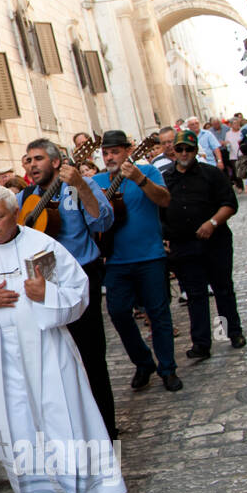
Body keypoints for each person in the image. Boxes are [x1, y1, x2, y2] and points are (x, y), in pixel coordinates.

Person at [0, 188, 127, 493]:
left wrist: (46, 295)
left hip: (48, 355)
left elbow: (79, 292)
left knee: (60, 424)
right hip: (5, 362)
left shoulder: (42, 247)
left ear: (14, 213)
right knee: (20, 427)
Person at [18, 138, 118, 439]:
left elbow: (103, 221)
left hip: (79, 278)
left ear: (57, 162)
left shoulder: (80, 185)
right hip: (45, 281)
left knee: (91, 355)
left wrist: (83, 186)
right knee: (57, 357)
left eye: (38, 159)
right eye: (28, 159)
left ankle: (106, 429)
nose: (32, 164)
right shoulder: (26, 197)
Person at [92, 131, 182, 392]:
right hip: (115, 260)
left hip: (149, 256)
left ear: (129, 150)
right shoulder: (97, 181)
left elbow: (164, 200)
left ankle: (168, 368)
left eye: (115, 152)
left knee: (159, 313)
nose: (109, 157)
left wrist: (140, 179)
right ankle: (143, 361)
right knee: (118, 312)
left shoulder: (148, 171)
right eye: (106, 153)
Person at [161, 130, 245, 359]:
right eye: (180, 149)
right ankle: (201, 343)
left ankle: (232, 331)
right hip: (184, 246)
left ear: (196, 150)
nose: (184, 153)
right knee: (195, 295)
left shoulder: (211, 174)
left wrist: (213, 222)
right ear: (173, 152)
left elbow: (230, 203)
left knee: (223, 289)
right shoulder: (166, 178)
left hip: (215, 242)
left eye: (189, 149)